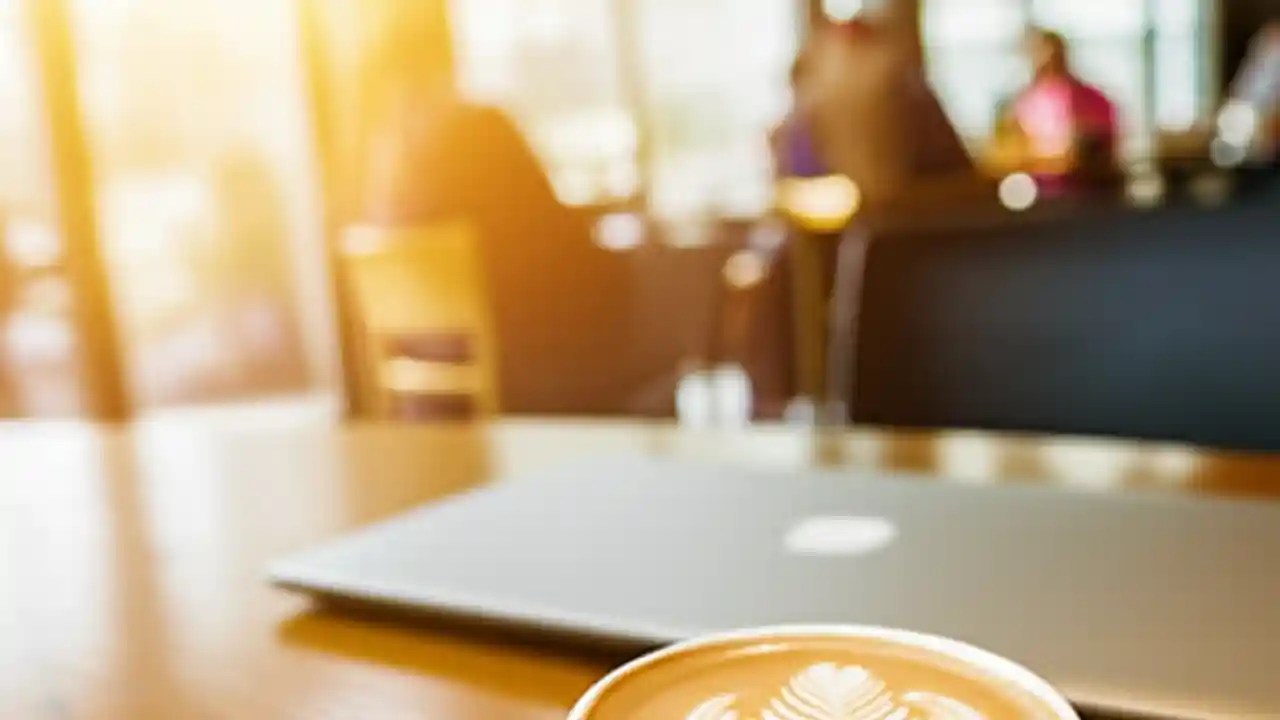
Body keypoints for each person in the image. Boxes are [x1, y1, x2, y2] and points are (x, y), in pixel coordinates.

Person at [999, 29, 1120, 195]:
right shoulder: (1023, 102)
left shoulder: (1092, 100)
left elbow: (1099, 150)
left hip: (1085, 194)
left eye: (1052, 54)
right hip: (1035, 193)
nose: (1046, 60)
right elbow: (1009, 151)